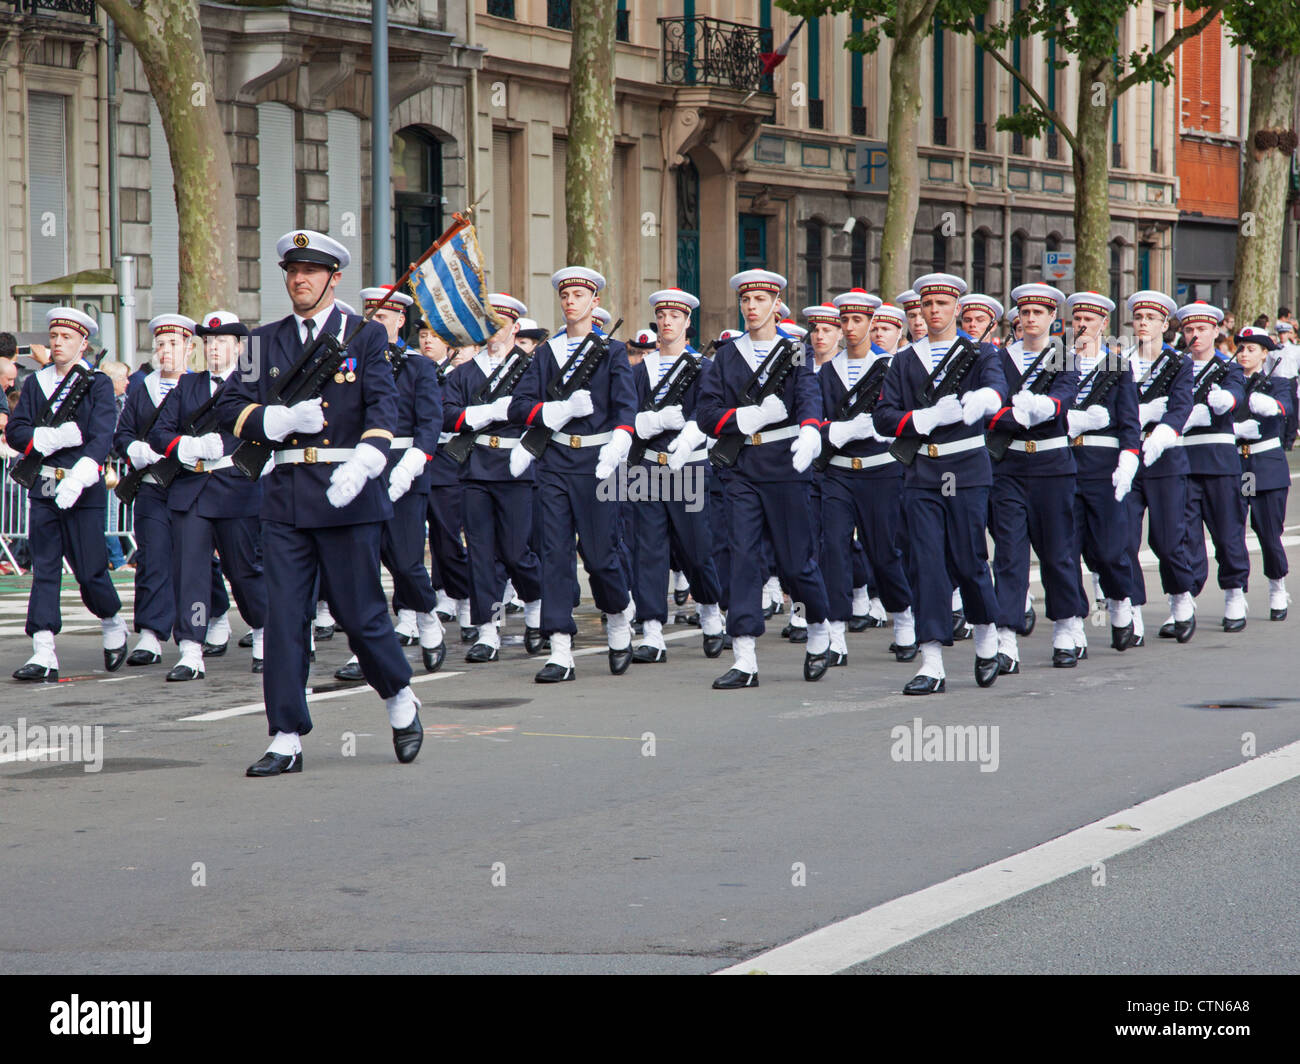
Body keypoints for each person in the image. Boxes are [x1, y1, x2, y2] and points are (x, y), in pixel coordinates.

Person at [215, 229, 423, 776]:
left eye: (309, 270)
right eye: (291, 270)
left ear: (334, 278)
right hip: (284, 497)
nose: (298, 279)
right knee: (284, 619)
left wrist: (365, 464)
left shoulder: (365, 337)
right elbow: (230, 407)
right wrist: (277, 419)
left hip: (347, 495)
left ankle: (399, 695)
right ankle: (285, 734)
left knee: (360, 614)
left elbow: (385, 409)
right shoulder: (263, 342)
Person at [695, 269, 831, 688]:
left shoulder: (794, 351)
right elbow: (706, 413)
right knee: (742, 559)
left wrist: (810, 429)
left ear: (775, 304)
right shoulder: (727, 356)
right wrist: (742, 417)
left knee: (796, 562)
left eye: (759, 300)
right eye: (745, 301)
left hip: (786, 466)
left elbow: (809, 393)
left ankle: (820, 629)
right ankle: (745, 657)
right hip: (743, 469)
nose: (751, 307)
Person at [872, 273, 1007, 694]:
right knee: (926, 564)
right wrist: (922, 419)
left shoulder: (979, 353)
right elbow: (883, 417)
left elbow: (996, 387)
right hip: (922, 474)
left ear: (956, 309)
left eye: (942, 305)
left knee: (968, 559)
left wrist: (983, 401)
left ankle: (986, 634)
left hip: (965, 469)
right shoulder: (905, 360)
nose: (933, 312)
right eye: (927, 305)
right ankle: (931, 661)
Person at [507, 266, 638, 682]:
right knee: (555, 556)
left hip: (598, 464)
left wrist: (619, 442)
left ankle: (617, 614)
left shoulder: (612, 351)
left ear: (594, 301)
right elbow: (520, 405)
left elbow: (625, 406)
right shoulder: (546, 352)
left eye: (580, 295)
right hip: (556, 463)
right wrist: (557, 410)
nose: (571, 301)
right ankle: (560, 648)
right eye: (566, 295)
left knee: (601, 557)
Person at [6, 307, 129, 681]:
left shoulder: (96, 383)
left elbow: (102, 432)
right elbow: (16, 431)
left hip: (82, 484)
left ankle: (111, 621)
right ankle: (43, 651)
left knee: (90, 570)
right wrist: (47, 438)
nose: (58, 344)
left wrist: (82, 472)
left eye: (66, 338)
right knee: (45, 567)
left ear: (83, 343)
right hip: (44, 482)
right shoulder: (37, 383)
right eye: (54, 337)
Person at [335, 286, 446, 680]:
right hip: (364, 467)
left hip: (403, 470)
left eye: (383, 317)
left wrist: (413, 462)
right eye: (370, 317)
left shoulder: (418, 366)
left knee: (404, 560)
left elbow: (430, 423)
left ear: (401, 321)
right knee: (362, 561)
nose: (374, 323)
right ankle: (364, 647)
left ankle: (427, 615)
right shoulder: (350, 363)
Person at [148, 310, 266, 680]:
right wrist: (187, 446)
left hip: (236, 487)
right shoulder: (189, 385)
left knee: (244, 570)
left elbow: (267, 431)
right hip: (192, 488)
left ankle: (263, 630)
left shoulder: (253, 385)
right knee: (191, 573)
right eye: (209, 342)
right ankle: (191, 648)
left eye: (222, 342)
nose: (214, 348)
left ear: (239, 347)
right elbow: (160, 431)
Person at [115, 314, 232, 668]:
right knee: (152, 558)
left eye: (173, 344)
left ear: (189, 348)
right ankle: (151, 634)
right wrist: (134, 450)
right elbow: (123, 435)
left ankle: (216, 614)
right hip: (152, 485)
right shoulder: (142, 389)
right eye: (160, 344)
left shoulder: (199, 387)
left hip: (190, 484)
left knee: (196, 563)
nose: (165, 351)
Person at [440, 292, 544, 663]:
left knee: (517, 553)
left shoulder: (531, 369)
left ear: (516, 328)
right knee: (481, 554)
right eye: (490, 324)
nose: (495, 332)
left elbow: (541, 413)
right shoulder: (465, 373)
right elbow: (446, 414)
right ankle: (488, 630)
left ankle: (534, 604)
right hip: (476, 467)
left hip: (515, 466)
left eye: (502, 325)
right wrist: (480, 414)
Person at [984, 284, 1082, 672]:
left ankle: (1066, 627)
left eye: (1038, 313)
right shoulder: (997, 358)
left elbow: (1064, 398)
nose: (1030, 320)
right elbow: (989, 406)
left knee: (1057, 552)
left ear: (1052, 318)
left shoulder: (1063, 357)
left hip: (1052, 467)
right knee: (1009, 554)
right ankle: (1007, 638)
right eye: (1024, 313)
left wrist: (1040, 408)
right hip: (1008, 467)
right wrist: (1015, 416)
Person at [626, 287, 724, 661]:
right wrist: (648, 421)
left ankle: (710, 611)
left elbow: (709, 413)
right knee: (647, 549)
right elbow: (626, 416)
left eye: (675, 316)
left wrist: (687, 437)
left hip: (688, 465)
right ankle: (652, 632)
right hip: (646, 464)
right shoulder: (640, 371)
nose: (667, 321)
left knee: (696, 549)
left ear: (687, 323)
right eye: (662, 315)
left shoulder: (703, 368)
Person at [819, 288, 914, 666]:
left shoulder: (893, 368)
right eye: (845, 320)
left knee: (883, 551)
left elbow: (903, 417)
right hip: (839, 473)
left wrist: (880, 428)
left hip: (880, 472)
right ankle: (835, 633)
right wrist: (835, 431)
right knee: (834, 551)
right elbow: (816, 420)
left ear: (872, 323)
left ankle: (904, 617)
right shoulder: (827, 371)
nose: (851, 326)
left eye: (858, 319)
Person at [1062, 292, 1140, 660]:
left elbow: (1129, 422)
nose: (1081, 325)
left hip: (1103, 468)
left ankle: (1121, 602)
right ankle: (1074, 626)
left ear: (1103, 325)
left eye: (1089, 320)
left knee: (1109, 551)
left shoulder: (1117, 367)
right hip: (1061, 465)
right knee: (1064, 551)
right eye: (1076, 319)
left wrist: (1128, 461)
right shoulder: (1056, 364)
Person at [1173, 301, 1249, 632]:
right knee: (1185, 535)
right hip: (1182, 460)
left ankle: (1234, 592)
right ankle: (1186, 596)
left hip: (1219, 461)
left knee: (1228, 532)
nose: (1195, 335)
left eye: (1202, 329)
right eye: (1189, 329)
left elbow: (1236, 390)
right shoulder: (1174, 368)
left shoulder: (1226, 366)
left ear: (1215, 331)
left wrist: (1227, 400)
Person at [1124, 290, 1195, 645]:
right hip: (1128, 459)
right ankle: (1132, 611)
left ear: (1165, 324)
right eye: (1138, 318)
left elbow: (1181, 406)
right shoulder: (1118, 361)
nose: (1143, 324)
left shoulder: (1179, 363)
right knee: (1124, 540)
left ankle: (1181, 599)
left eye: (1151, 319)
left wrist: (1162, 431)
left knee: (1166, 541)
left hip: (1166, 458)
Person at [1232, 326, 1291, 620]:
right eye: (1241, 348)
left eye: (1251, 349)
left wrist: (1273, 406)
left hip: (1265, 465)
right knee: (1233, 532)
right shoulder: (1229, 382)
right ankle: (1236, 593)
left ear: (1265, 353)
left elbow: (1287, 407)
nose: (1244, 353)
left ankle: (1277, 585)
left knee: (1268, 532)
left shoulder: (1277, 382)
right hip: (1240, 468)